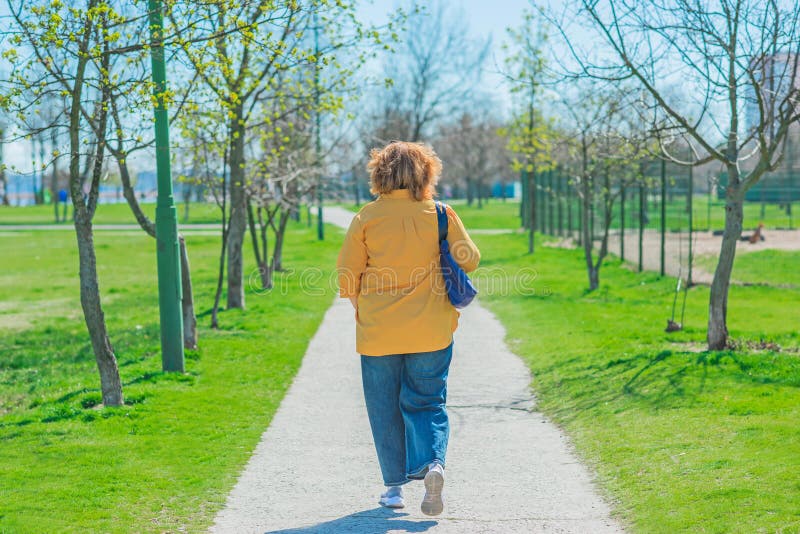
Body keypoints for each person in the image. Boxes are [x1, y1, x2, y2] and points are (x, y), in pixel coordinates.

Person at [337, 141, 481, 516]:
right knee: (428, 402)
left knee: (384, 407)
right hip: (431, 330)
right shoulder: (440, 214)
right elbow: (470, 260)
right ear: (426, 174)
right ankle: (433, 465)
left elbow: (347, 275)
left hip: (379, 332)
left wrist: (361, 306)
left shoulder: (366, 217)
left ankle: (394, 489)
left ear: (379, 174)